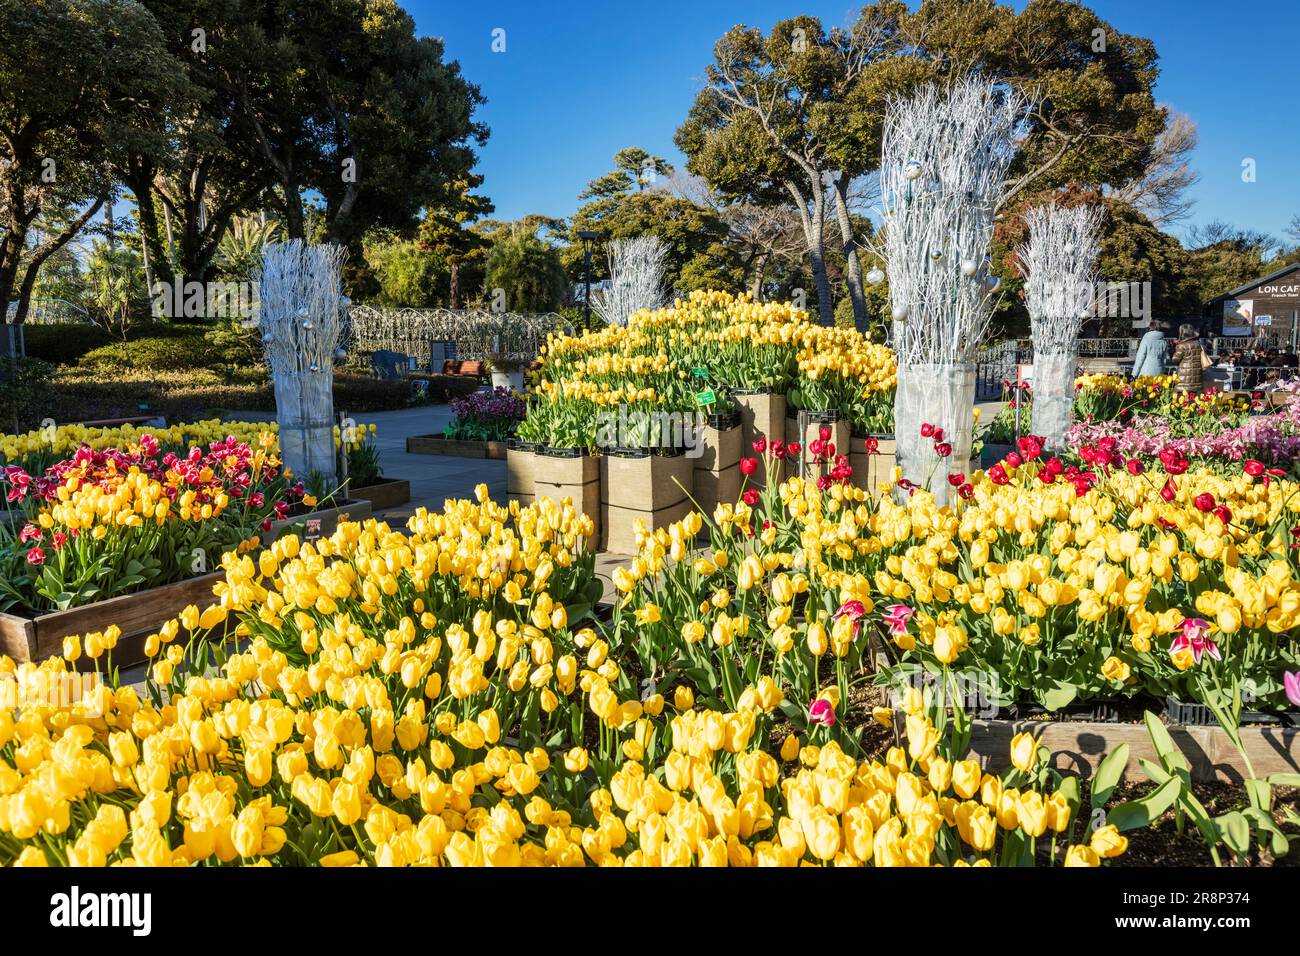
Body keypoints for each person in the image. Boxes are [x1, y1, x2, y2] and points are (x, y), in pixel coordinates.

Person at [1171, 323, 1205, 391]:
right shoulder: (1198, 344)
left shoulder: (1182, 346)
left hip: (1183, 378)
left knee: (1181, 399)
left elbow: (1175, 360)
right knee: (1193, 398)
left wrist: (1172, 350)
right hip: (1197, 378)